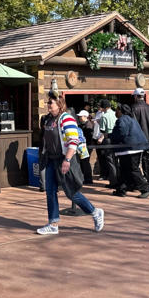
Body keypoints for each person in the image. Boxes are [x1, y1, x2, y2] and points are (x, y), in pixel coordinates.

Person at [36, 90, 104, 235]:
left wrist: (67, 159)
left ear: (59, 104)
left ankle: (94, 211)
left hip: (64, 159)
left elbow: (73, 140)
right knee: (50, 192)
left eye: (51, 102)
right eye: (48, 102)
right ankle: (53, 223)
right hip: (51, 160)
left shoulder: (66, 118)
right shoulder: (48, 119)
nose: (48, 104)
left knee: (71, 193)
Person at [109, 104, 149, 198]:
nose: (115, 112)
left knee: (133, 169)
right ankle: (122, 189)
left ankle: (145, 188)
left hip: (130, 149)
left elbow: (121, 132)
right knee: (124, 170)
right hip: (132, 148)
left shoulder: (122, 119)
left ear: (120, 110)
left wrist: (110, 136)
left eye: (116, 110)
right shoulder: (131, 118)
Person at [131, 88, 149, 191]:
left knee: (136, 163)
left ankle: (140, 184)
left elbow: (132, 125)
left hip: (138, 140)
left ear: (135, 96)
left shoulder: (134, 108)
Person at [96, 99, 118, 187]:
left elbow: (102, 129)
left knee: (110, 160)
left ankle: (113, 182)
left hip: (108, 138)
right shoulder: (115, 114)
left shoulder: (104, 116)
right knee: (116, 160)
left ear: (103, 107)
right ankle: (118, 179)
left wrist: (98, 122)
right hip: (116, 138)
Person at [77, 110, 100, 184]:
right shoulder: (82, 124)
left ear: (85, 116)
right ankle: (85, 177)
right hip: (83, 146)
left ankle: (88, 179)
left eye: (81, 116)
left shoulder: (88, 125)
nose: (79, 118)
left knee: (85, 162)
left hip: (86, 146)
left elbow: (89, 137)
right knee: (83, 162)